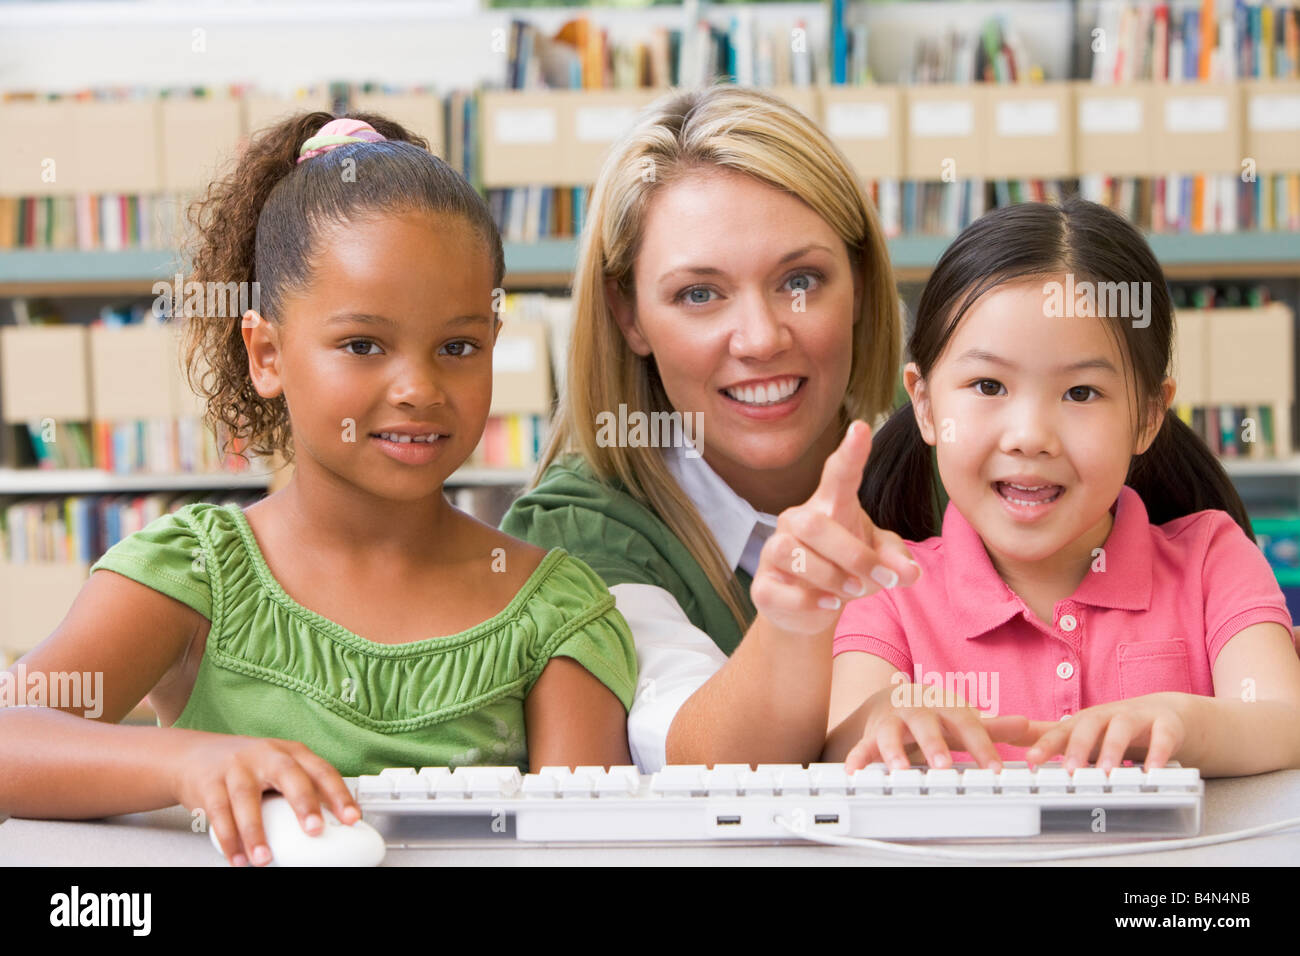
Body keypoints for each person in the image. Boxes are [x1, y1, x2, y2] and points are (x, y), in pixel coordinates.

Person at [0, 115, 637, 866]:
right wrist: (186, 763)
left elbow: (587, 853)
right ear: (267, 353)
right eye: (363, 345)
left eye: (458, 347)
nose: (418, 387)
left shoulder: (556, 615)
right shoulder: (195, 575)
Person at [502, 84, 957, 771]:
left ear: (860, 283)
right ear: (629, 317)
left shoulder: (964, 464)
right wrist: (796, 616)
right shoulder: (581, 531)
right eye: (699, 294)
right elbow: (702, 755)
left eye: (799, 280)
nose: (760, 338)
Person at [826, 198, 1300, 778]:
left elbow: (1283, 719)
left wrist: (1183, 723)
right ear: (924, 405)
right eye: (988, 384)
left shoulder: (1212, 562)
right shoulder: (888, 588)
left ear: (1148, 416)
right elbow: (837, 747)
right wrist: (882, 719)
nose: (1030, 437)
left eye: (1080, 393)